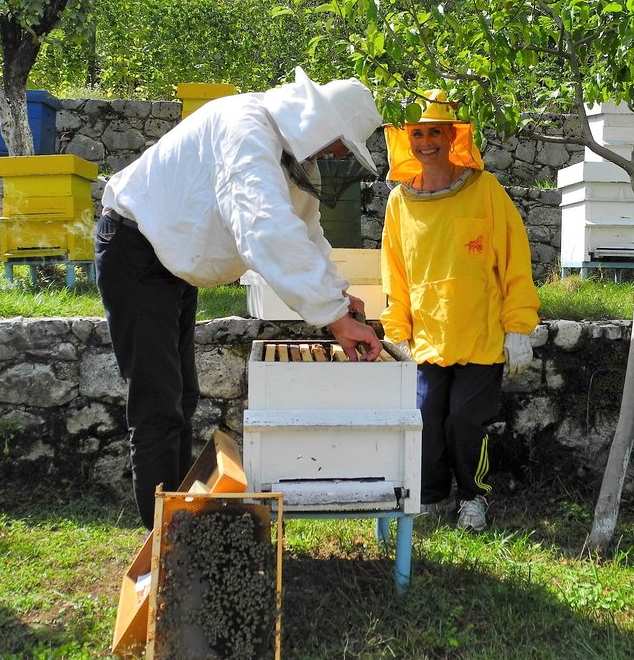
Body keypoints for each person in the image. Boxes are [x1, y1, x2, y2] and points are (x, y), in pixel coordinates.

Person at [95, 67, 384, 529]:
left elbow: (305, 233)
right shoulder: (246, 128)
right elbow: (264, 228)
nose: (335, 154)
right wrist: (333, 318)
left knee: (182, 394)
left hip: (167, 262)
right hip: (135, 248)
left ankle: (177, 521)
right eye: (339, 142)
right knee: (157, 402)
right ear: (317, 121)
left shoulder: (287, 154)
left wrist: (338, 295)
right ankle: (163, 542)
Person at [380, 90, 540, 532]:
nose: (426, 141)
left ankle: (474, 497)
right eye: (418, 132)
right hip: (427, 336)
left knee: (465, 419)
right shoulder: (398, 202)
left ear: (453, 136)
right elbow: (393, 271)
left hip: (482, 334)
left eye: (435, 131)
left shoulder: (485, 190)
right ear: (406, 139)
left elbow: (514, 260)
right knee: (427, 418)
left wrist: (519, 327)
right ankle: (430, 496)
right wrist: (396, 328)